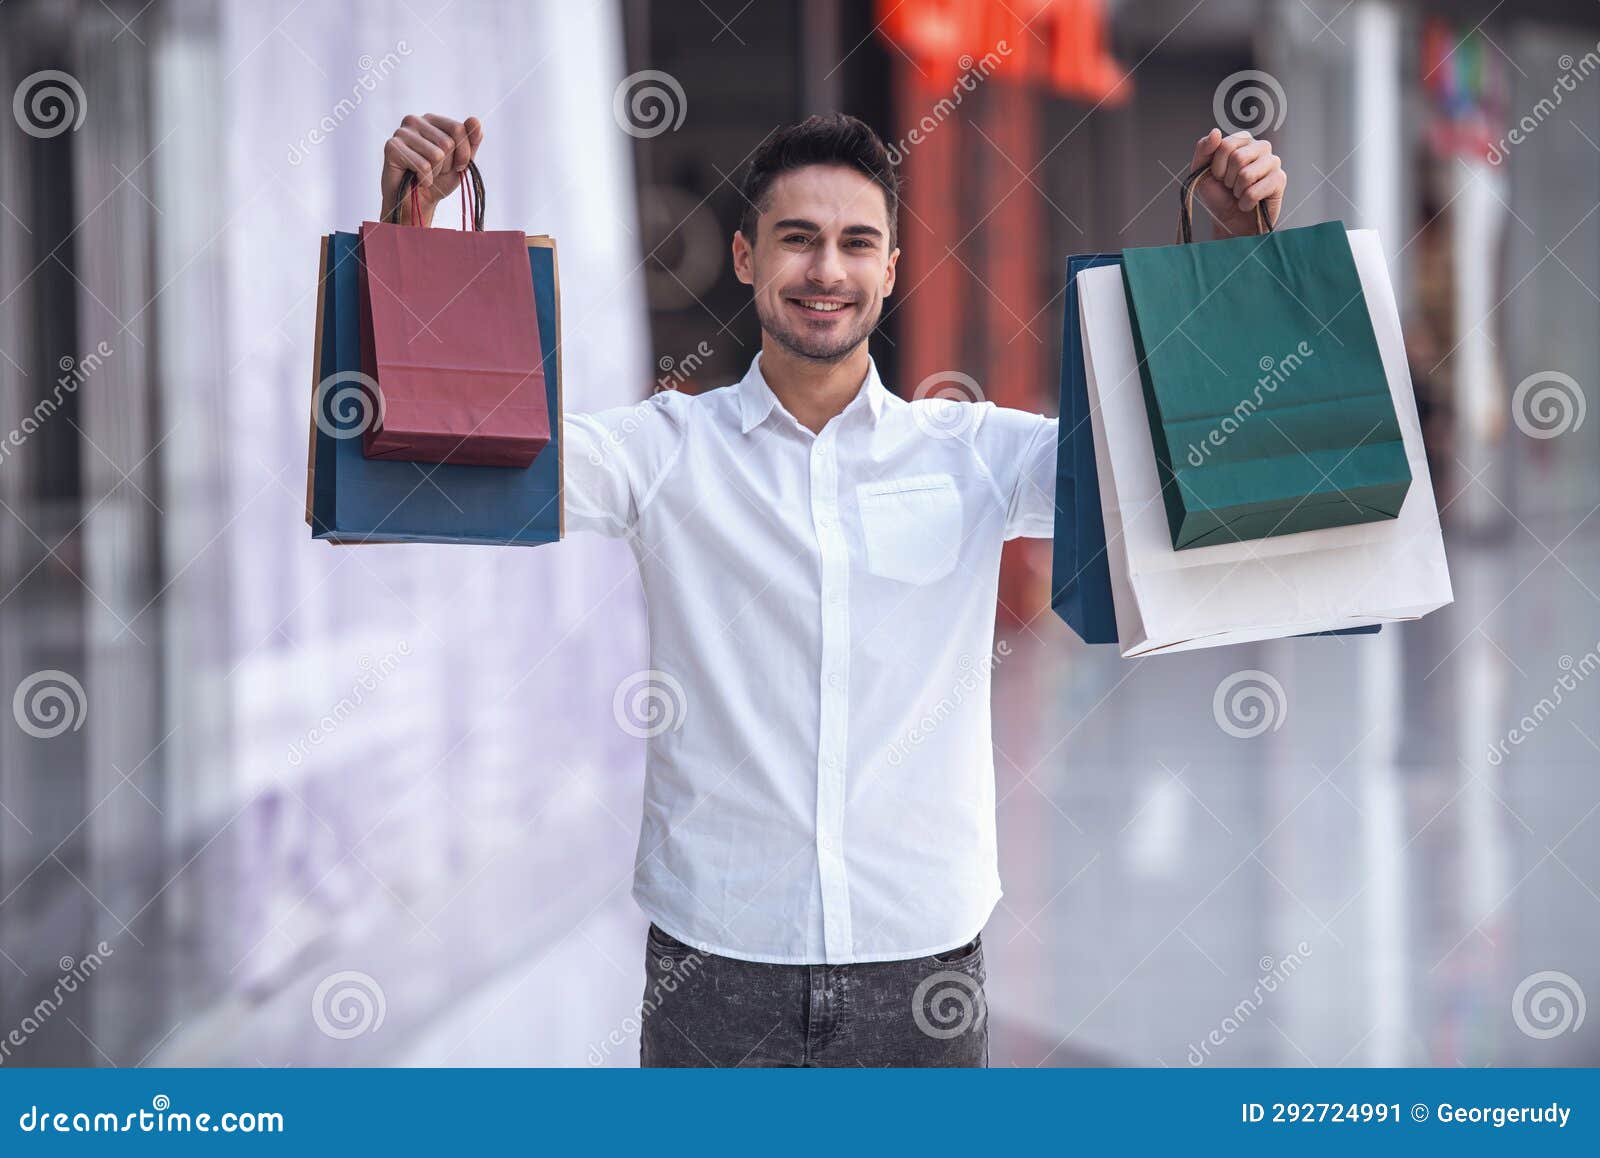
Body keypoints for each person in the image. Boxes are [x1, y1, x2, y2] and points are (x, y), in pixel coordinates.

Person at [376, 111, 1287, 1067]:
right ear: (743, 256)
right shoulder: (662, 451)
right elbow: (457, 461)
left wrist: (1239, 255)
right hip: (715, 972)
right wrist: (412, 242)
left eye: (857, 243)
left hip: (922, 970)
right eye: (797, 239)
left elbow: (1188, 459)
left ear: (891, 268)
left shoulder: (974, 453)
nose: (826, 271)